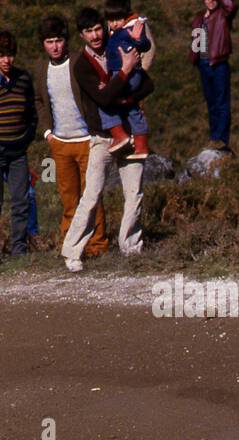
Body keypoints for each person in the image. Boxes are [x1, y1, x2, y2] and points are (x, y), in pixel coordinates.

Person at [64, 6, 154, 271]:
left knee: (134, 193)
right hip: (103, 137)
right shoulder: (81, 65)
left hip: (130, 131)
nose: (95, 35)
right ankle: (72, 251)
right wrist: (124, 73)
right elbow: (102, 98)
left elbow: (148, 84)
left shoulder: (119, 44)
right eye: (89, 32)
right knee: (91, 195)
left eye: (97, 29)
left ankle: (131, 248)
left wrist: (123, 93)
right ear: (81, 35)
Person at [33, 14, 109, 257]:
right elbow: (39, 101)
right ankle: (70, 244)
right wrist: (47, 132)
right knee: (69, 198)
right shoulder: (41, 67)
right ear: (43, 44)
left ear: (65, 40)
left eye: (58, 40)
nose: (54, 46)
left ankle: (97, 245)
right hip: (60, 142)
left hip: (87, 140)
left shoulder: (79, 61)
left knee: (92, 197)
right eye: (49, 42)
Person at [100, 0, 153, 159]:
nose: (114, 23)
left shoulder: (132, 27)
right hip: (121, 73)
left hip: (129, 74)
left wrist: (138, 40)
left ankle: (119, 135)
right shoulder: (113, 31)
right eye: (110, 20)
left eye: (117, 19)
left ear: (126, 16)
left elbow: (146, 45)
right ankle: (141, 146)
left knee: (105, 99)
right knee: (131, 108)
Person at [0, 29, 36, 258]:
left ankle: (19, 250)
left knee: (21, 200)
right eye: (2, 55)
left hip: (18, 150)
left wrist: (27, 137)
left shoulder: (23, 78)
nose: (6, 60)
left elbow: (32, 113)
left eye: (10, 55)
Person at [189, 0, 236, 151]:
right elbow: (196, 40)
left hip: (219, 63)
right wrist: (194, 58)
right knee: (211, 104)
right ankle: (214, 136)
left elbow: (231, 6)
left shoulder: (223, 14)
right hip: (203, 64)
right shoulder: (199, 17)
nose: (210, 1)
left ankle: (221, 139)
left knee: (222, 103)